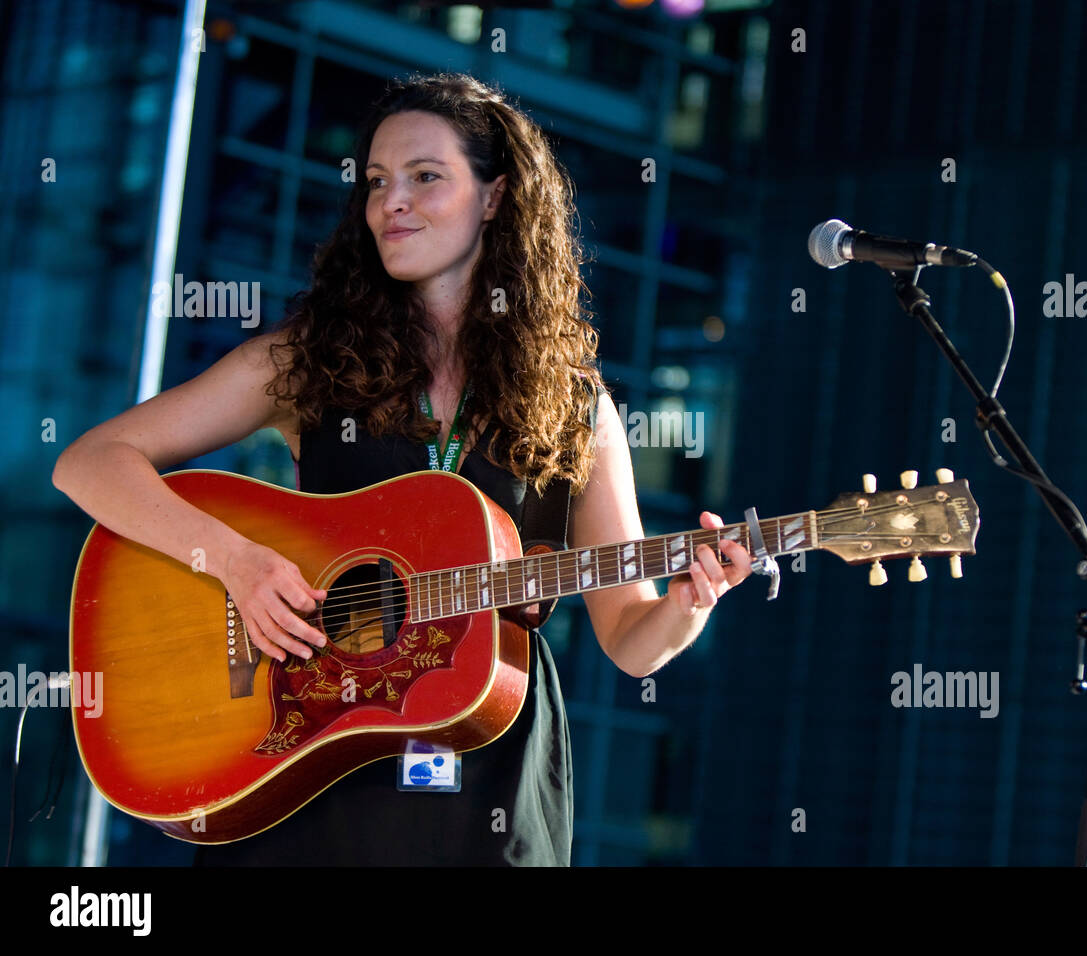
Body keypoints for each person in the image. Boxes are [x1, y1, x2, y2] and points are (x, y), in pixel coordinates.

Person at [52, 71, 752, 865]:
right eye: (378, 182)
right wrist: (239, 565)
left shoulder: (575, 406)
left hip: (481, 772)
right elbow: (90, 463)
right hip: (305, 762)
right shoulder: (309, 359)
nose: (392, 202)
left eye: (426, 177)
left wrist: (692, 601)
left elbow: (629, 636)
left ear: (494, 198)